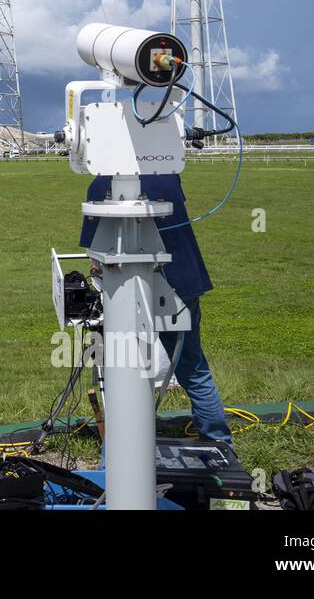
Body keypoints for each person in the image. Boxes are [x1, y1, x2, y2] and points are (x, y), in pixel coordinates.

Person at [79, 173, 232, 445]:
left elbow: (96, 249)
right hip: (184, 282)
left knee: (123, 369)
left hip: (127, 291)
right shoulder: (168, 173)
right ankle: (221, 447)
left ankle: (122, 450)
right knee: (193, 370)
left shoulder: (102, 183)